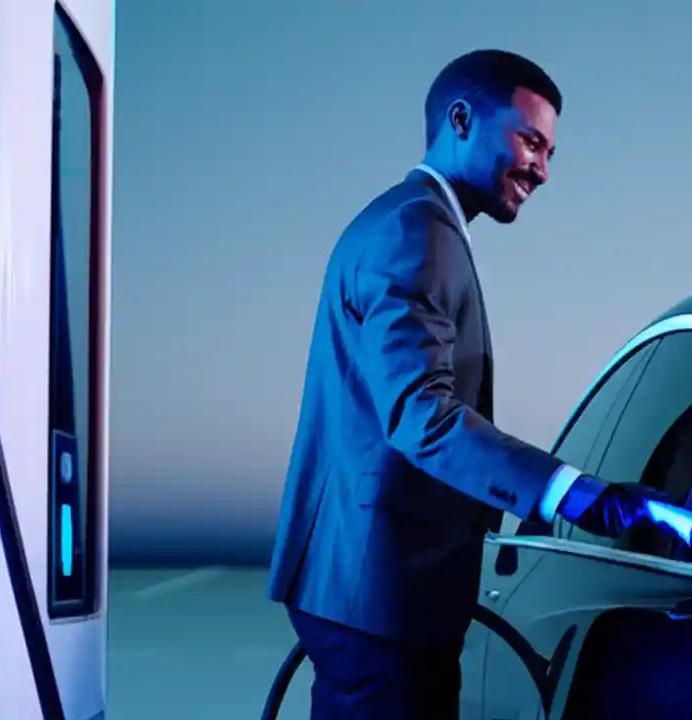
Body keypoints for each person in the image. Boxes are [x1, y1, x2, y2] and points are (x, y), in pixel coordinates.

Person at [265, 49, 666, 719]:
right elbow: (422, 414)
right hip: (380, 600)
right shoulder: (412, 232)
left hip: (379, 596)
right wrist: (571, 492)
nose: (542, 168)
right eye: (530, 141)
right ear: (460, 120)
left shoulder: (419, 226)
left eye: (551, 152)